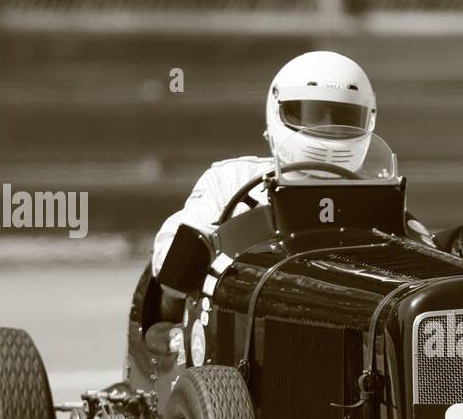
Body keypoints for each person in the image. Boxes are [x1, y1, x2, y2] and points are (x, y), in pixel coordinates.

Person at [153, 49, 424, 277]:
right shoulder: (230, 180)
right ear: (278, 110)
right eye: (314, 115)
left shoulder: (375, 197)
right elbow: (171, 277)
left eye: (343, 117)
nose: (328, 128)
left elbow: (426, 265)